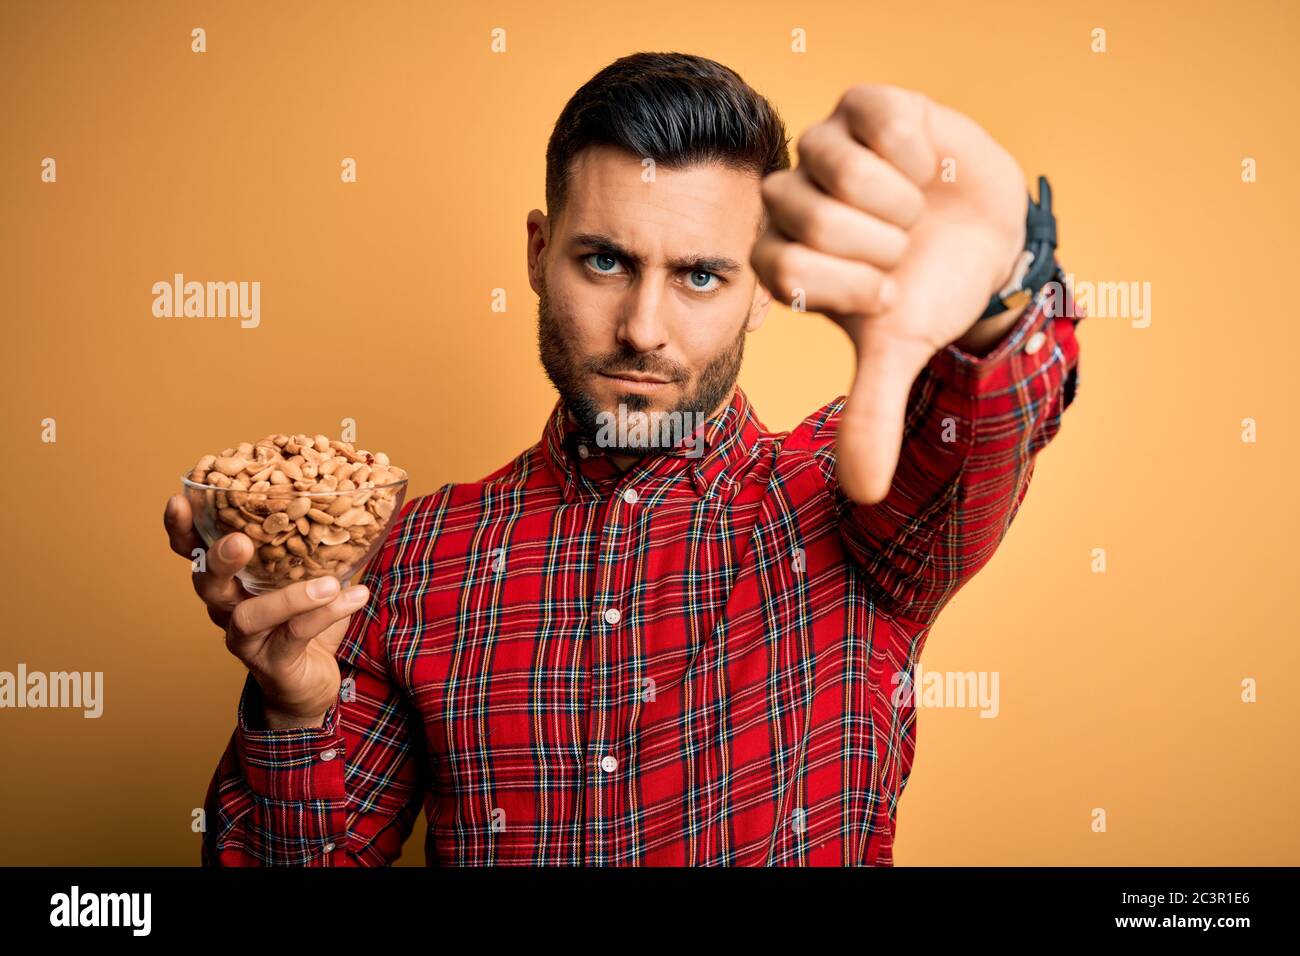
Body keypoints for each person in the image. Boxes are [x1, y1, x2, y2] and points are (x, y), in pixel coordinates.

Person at [164, 51, 1083, 866]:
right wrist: (293, 705)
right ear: (538, 252)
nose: (644, 330)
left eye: (699, 275)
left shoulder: (849, 502)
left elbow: (978, 430)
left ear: (762, 288)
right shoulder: (414, 552)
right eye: (604, 262)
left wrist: (1000, 291)